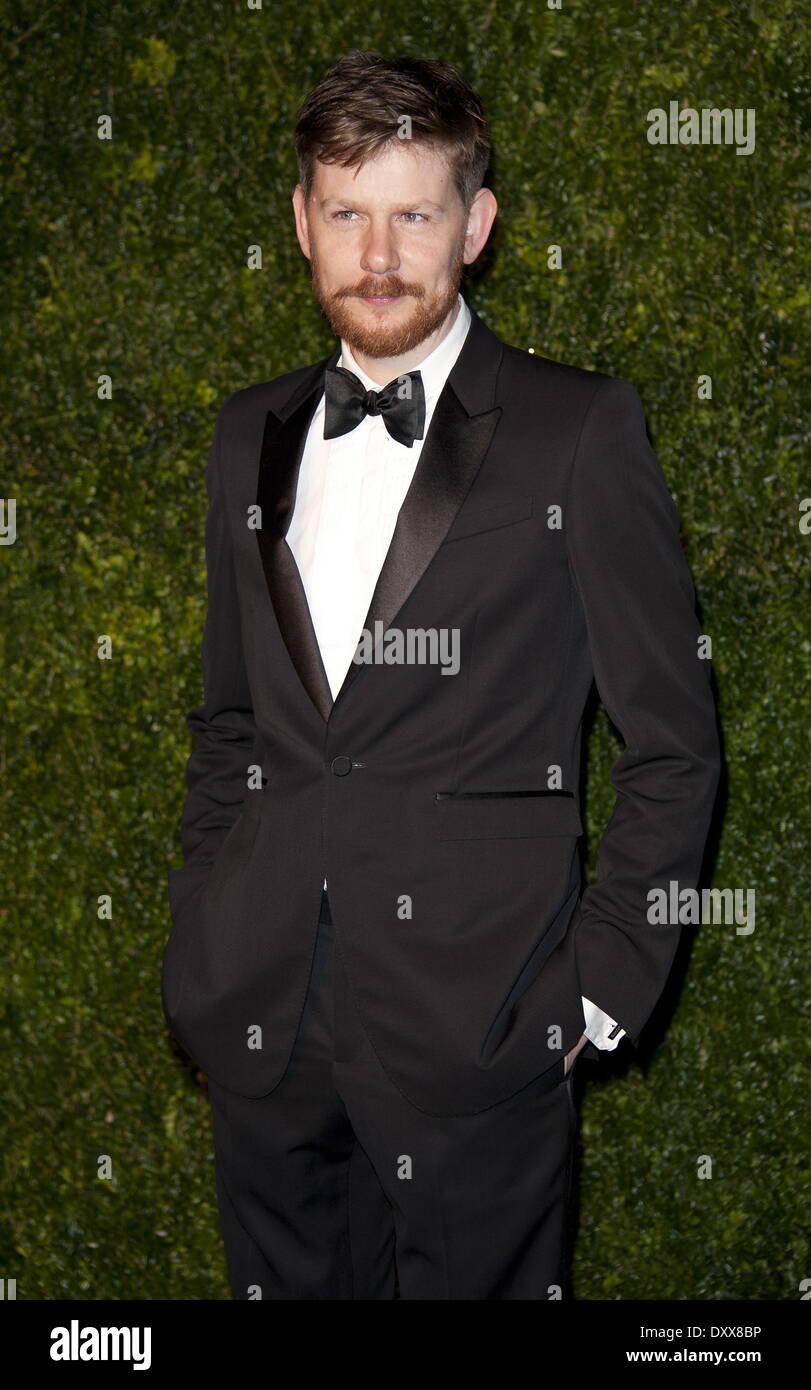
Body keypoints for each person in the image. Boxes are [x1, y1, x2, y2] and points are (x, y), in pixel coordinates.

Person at [161, 50, 721, 1300]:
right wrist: (206, 924)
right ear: (301, 224)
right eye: (347, 213)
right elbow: (232, 716)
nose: (376, 256)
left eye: (412, 214)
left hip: (485, 1025)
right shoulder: (242, 434)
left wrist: (601, 993)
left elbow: (673, 743)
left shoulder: (581, 429)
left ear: (474, 225)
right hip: (261, 1017)